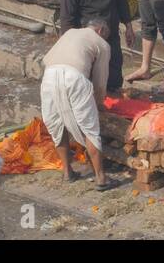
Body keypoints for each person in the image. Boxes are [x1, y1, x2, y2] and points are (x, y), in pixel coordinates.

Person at [40, 19, 116, 190]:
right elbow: (100, 80)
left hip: (49, 76)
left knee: (56, 124)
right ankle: (101, 178)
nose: (106, 39)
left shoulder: (70, 32)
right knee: (90, 128)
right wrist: (99, 103)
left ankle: (68, 172)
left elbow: (47, 61)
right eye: (106, 35)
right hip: (74, 77)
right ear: (101, 30)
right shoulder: (102, 44)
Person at [59, 0, 135, 96]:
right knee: (91, 75)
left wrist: (128, 25)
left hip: (111, 32)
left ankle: (114, 95)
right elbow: (67, 20)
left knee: (114, 69)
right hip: (88, 39)